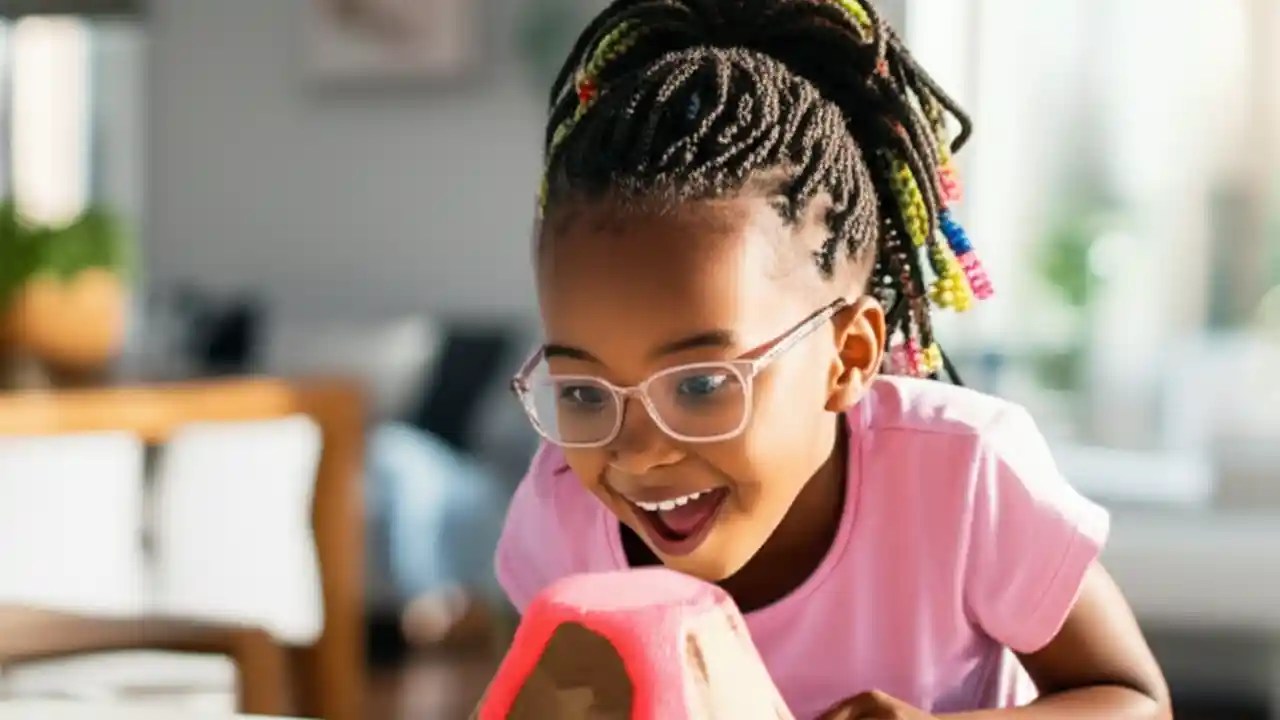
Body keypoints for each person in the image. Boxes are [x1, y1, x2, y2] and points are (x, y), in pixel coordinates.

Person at [494, 1, 1171, 718]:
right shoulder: (564, 506)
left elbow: (1134, 701)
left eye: (699, 384)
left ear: (847, 356)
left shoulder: (963, 478)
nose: (637, 453)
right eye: (583, 393)